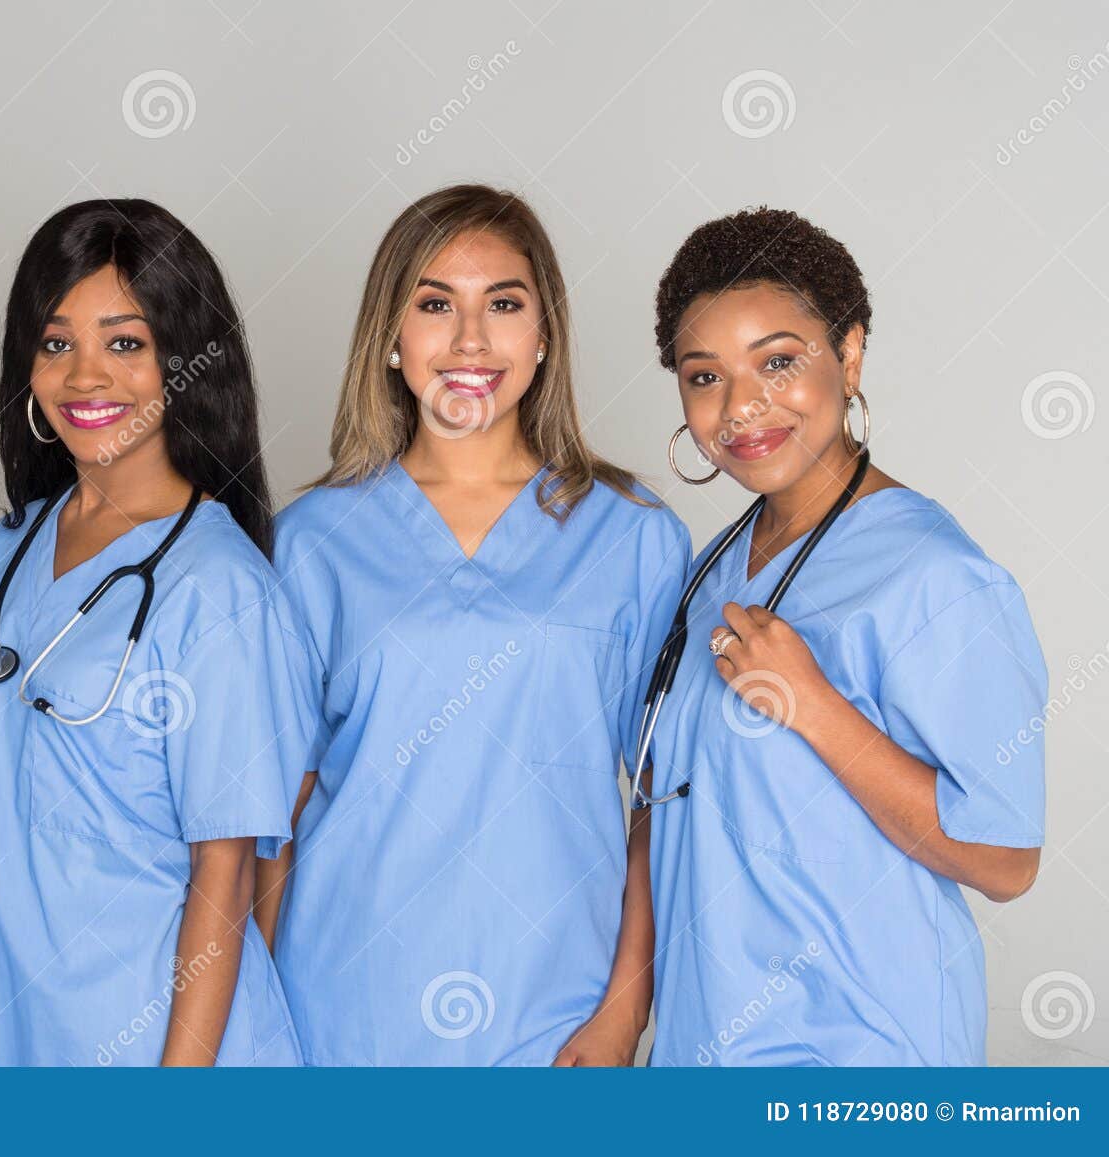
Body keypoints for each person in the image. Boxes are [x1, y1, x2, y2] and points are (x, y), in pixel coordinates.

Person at [255, 185, 689, 1065]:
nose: (469, 341)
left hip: (555, 1011)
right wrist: (253, 1028)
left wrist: (624, 1010)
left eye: (503, 304)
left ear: (545, 335)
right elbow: (276, 810)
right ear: (389, 335)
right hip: (340, 1008)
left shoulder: (635, 536)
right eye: (433, 304)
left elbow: (662, 806)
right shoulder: (312, 542)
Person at [643, 207, 1045, 1066]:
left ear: (850, 353)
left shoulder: (935, 577)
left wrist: (815, 707)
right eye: (704, 376)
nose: (742, 406)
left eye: (778, 361)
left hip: (857, 1054)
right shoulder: (714, 566)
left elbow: (1006, 858)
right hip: (699, 1049)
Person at [0, 199, 309, 1066]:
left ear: (184, 362)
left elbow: (226, 883)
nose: (85, 376)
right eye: (56, 342)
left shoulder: (218, 588)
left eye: (126, 343)